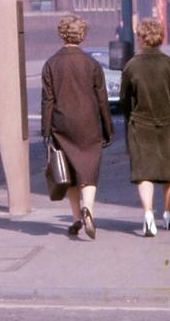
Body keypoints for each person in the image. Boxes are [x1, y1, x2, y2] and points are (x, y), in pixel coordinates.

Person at [41, 14, 114, 239]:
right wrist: (107, 128)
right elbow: (102, 99)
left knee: (69, 173)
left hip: (62, 125)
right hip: (89, 124)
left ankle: (75, 218)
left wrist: (46, 131)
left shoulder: (51, 64)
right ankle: (88, 210)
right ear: (82, 35)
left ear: (62, 34)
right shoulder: (92, 64)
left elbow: (48, 100)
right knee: (89, 172)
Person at [119, 17, 170, 236]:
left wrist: (131, 117)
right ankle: (168, 214)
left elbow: (125, 100)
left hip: (141, 126)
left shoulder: (132, 66)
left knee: (145, 172)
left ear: (141, 38)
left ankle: (148, 214)